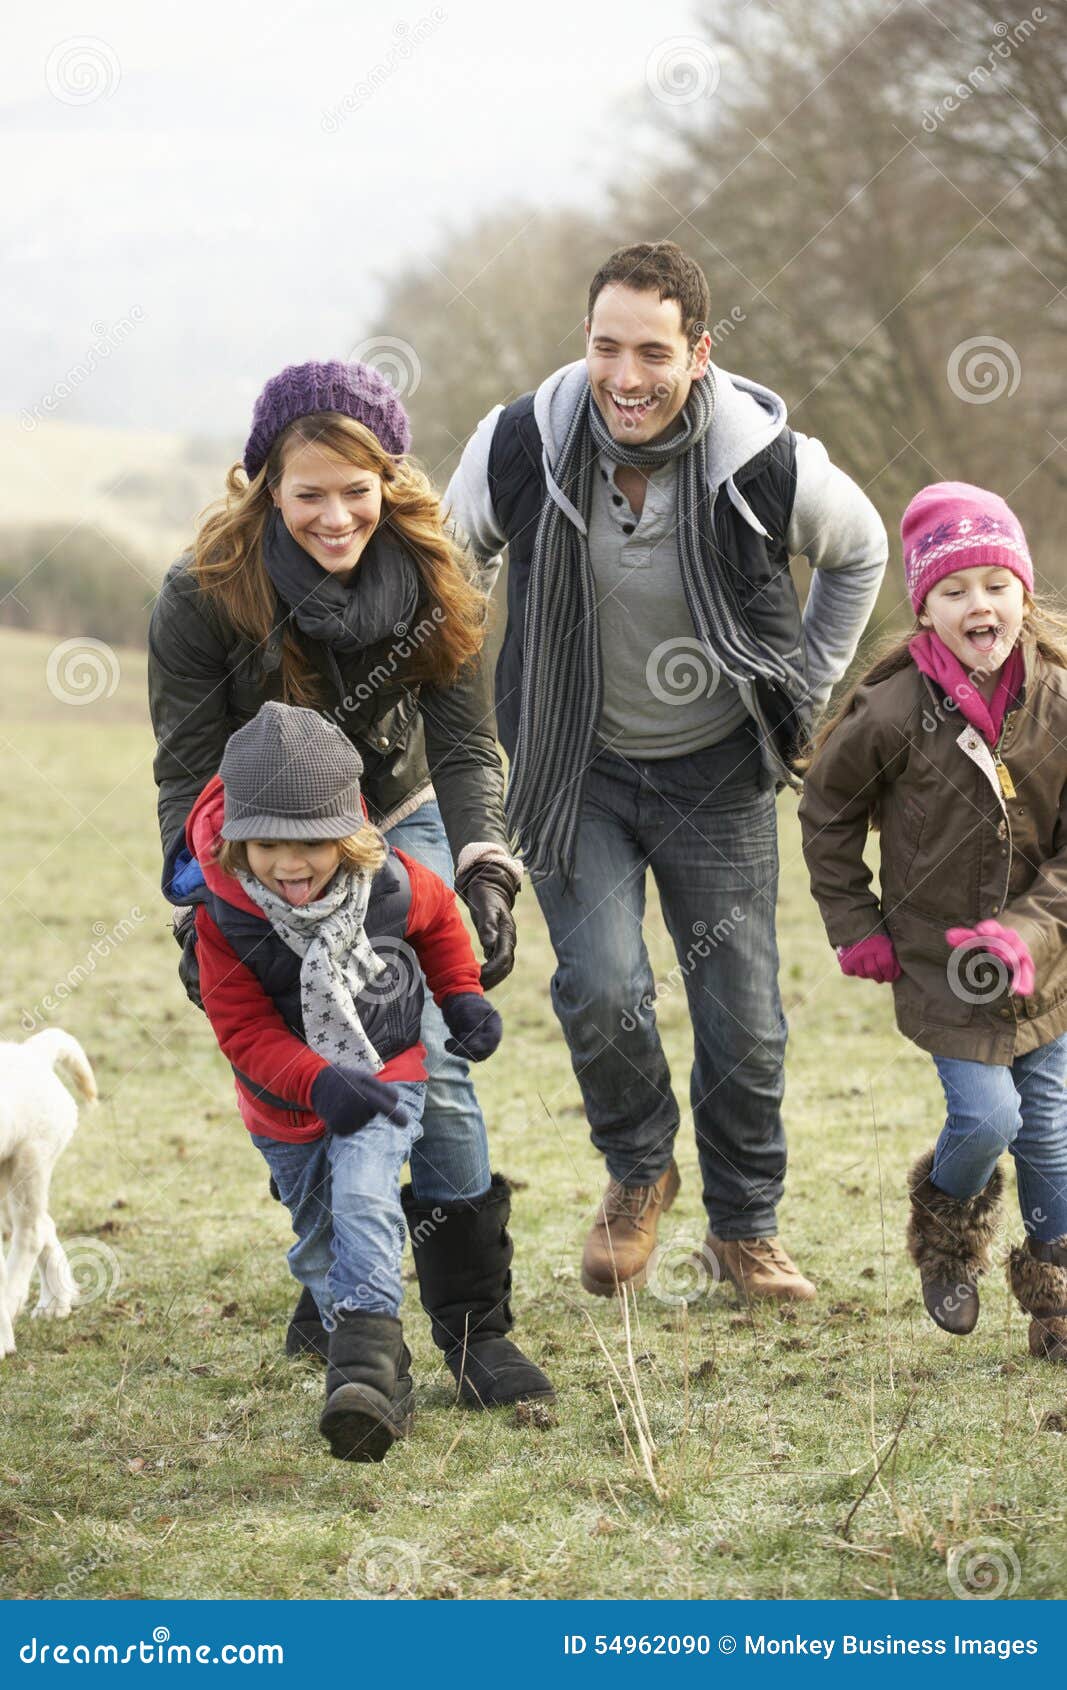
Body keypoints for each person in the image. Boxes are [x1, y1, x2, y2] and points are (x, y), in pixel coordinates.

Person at [446, 241, 888, 1302]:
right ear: (584, 343)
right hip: (572, 767)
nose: (626, 375)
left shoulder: (761, 459)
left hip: (716, 772)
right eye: (606, 347)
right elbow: (451, 560)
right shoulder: (518, 443)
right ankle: (639, 1169)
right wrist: (465, 702)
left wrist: (800, 696)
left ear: (696, 353)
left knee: (740, 1013)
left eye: (652, 350)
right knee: (599, 986)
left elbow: (859, 551)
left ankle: (743, 1227)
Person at [149, 359, 552, 1404]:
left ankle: (474, 1325)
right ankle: (340, 1271)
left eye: (356, 489)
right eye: (308, 492)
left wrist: (483, 868)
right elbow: (186, 766)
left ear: (390, 478)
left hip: (396, 817)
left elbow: (467, 746)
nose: (335, 515)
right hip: (262, 834)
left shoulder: (435, 575)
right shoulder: (203, 594)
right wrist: (200, 903)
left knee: (430, 1062)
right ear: (265, 486)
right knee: (305, 1042)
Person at [799, 482, 1067, 1364]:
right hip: (940, 967)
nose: (976, 604)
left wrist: (1024, 936)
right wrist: (855, 923)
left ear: (1022, 595)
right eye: (953, 591)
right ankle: (945, 1236)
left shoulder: (1059, 705)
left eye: (994, 583)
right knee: (988, 1119)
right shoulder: (890, 711)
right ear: (924, 609)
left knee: (1049, 1132)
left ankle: (1055, 1298)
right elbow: (826, 813)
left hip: (1049, 965)